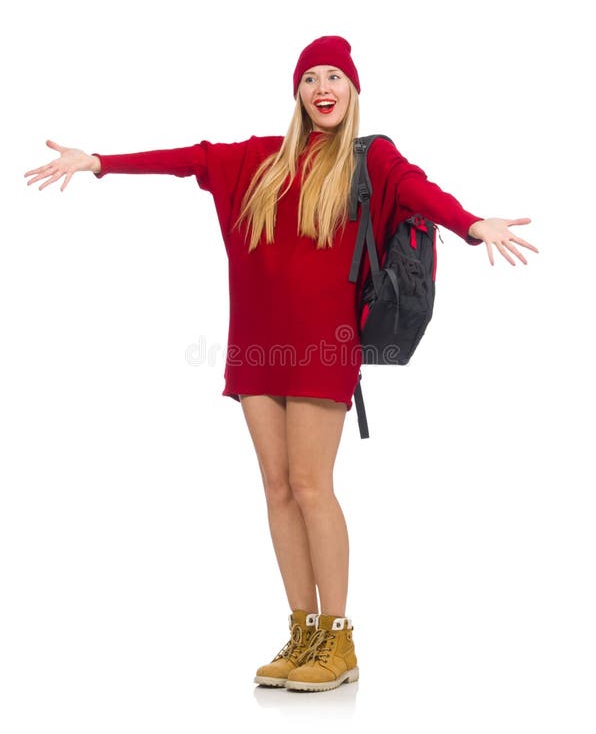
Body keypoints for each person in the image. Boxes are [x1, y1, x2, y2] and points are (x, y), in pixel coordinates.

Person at [24, 35, 538, 693]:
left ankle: (339, 640)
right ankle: (302, 632)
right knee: (277, 490)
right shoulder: (261, 159)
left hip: (324, 345)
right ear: (298, 91)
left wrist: (472, 225)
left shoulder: (369, 157)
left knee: (311, 485)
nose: (323, 87)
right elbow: (187, 159)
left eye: (335, 77)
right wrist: (97, 161)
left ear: (352, 90)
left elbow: (420, 190)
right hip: (257, 344)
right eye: (311, 78)